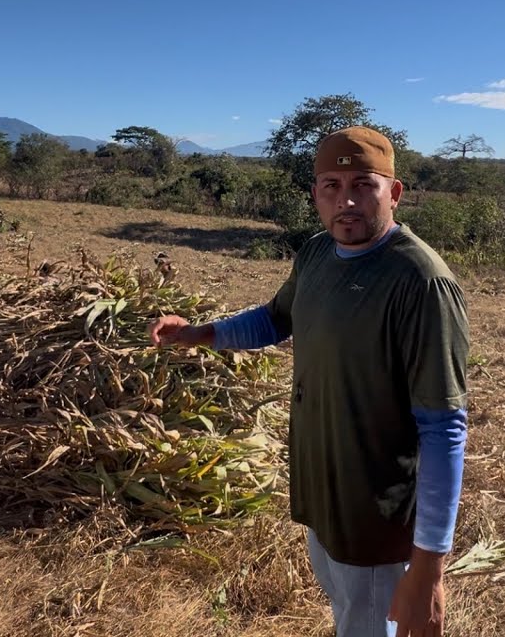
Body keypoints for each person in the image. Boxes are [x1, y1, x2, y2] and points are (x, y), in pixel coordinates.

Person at [148, 126, 469, 637]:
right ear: (315, 194)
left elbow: (444, 427)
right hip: (323, 494)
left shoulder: (420, 281)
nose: (346, 201)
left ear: (395, 192)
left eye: (363, 184)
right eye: (331, 186)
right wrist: (198, 334)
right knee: (346, 609)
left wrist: (430, 566)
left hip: (373, 513)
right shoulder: (318, 253)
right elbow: (277, 318)